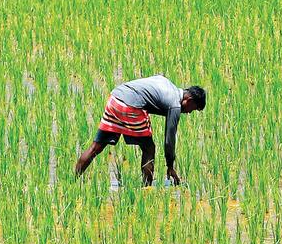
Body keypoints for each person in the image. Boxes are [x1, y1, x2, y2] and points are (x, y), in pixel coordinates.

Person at [75, 75, 206, 187]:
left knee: (96, 147)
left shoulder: (166, 82)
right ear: (189, 100)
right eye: (192, 109)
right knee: (149, 148)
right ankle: (146, 189)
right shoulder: (175, 105)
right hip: (131, 106)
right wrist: (170, 166)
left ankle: (73, 181)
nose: (189, 113)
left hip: (115, 99)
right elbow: (169, 141)